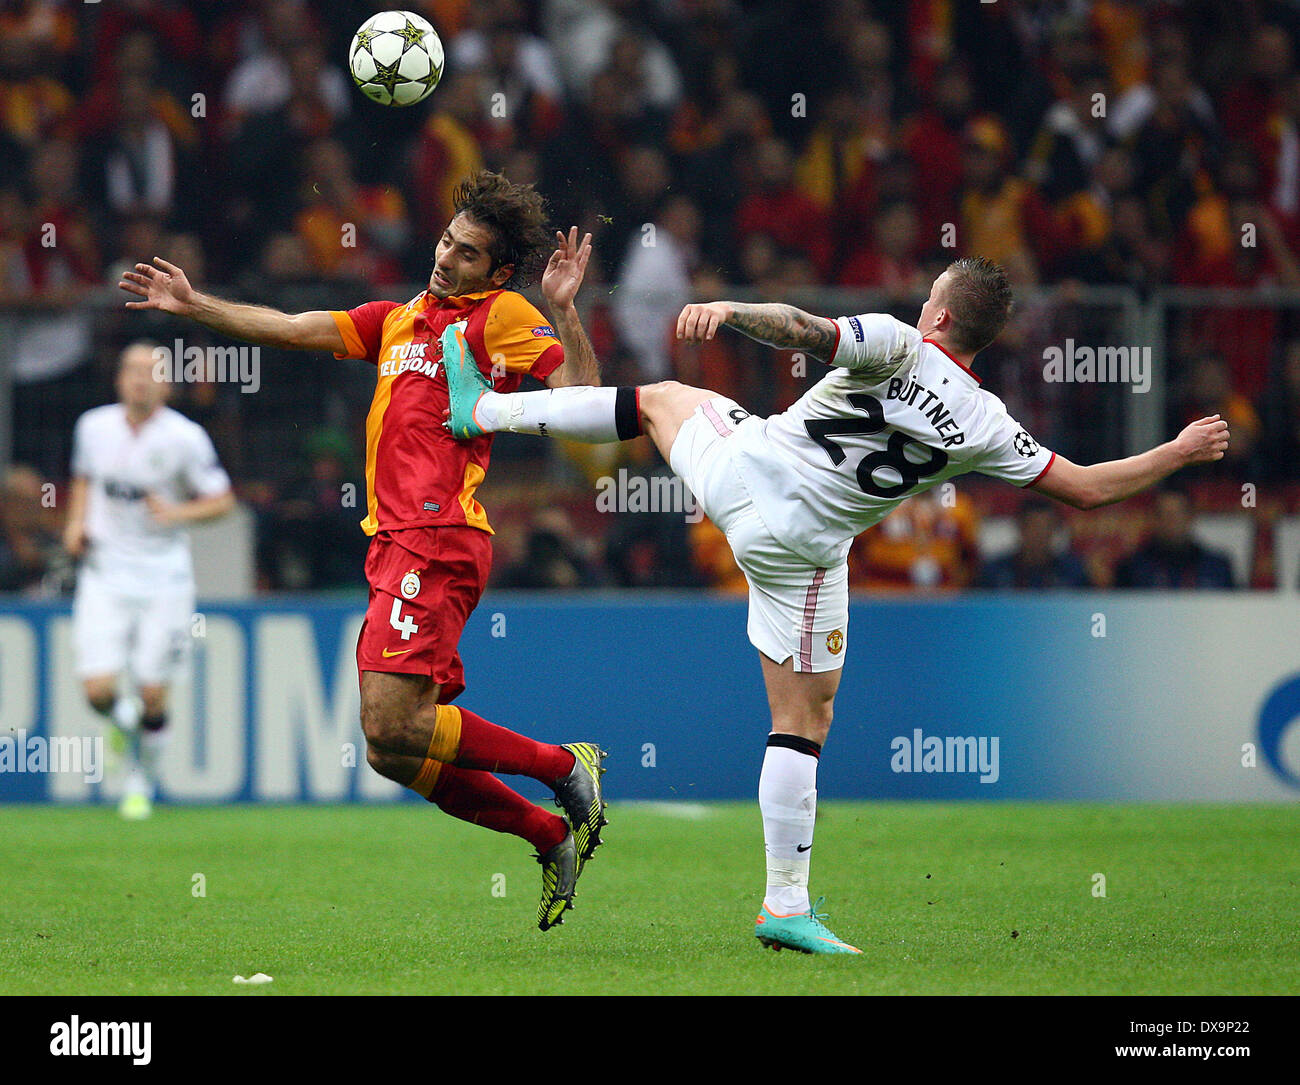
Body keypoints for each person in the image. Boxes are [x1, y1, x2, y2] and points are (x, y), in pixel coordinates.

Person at [442, 255, 1231, 954]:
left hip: (743, 475)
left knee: (660, 398)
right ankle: (783, 902)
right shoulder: (989, 423)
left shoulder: (897, 342)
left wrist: (730, 312)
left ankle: (485, 411)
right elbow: (1088, 489)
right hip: (801, 550)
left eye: (931, 299)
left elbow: (798, 328)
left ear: (943, 316)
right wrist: (1180, 450)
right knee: (801, 723)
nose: (922, 307)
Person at [118, 171, 608, 931]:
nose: (447, 258)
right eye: (448, 240)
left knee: (390, 724)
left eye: (469, 254)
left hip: (438, 535)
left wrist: (565, 311)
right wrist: (196, 305)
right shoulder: (398, 318)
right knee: (393, 750)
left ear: (499, 272)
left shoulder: (501, 315)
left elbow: (583, 399)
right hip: (393, 543)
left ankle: (564, 767)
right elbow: (289, 327)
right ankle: (546, 833)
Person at [64, 342, 236, 819]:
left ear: (166, 382)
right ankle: (123, 724)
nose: (140, 378)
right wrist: (75, 524)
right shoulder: (92, 427)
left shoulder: (186, 438)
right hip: (104, 574)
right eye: (132, 369)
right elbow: (82, 479)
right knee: (98, 690)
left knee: (153, 692)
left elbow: (223, 501)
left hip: (164, 577)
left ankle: (141, 777)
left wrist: (179, 511)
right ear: (119, 378)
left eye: (151, 371)